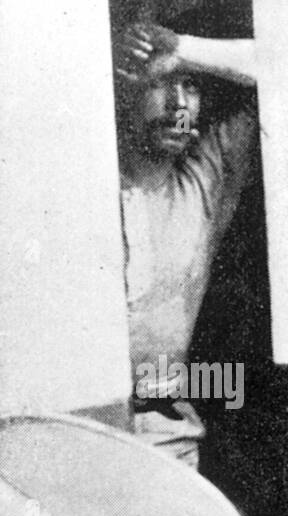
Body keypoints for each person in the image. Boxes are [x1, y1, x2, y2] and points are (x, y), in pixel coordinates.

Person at [114, 19, 259, 467]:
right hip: (85, 427)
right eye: (160, 83)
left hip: (167, 437)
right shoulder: (85, 186)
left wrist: (181, 50)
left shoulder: (204, 183)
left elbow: (281, 65)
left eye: (190, 86)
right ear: (121, 92)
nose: (179, 105)